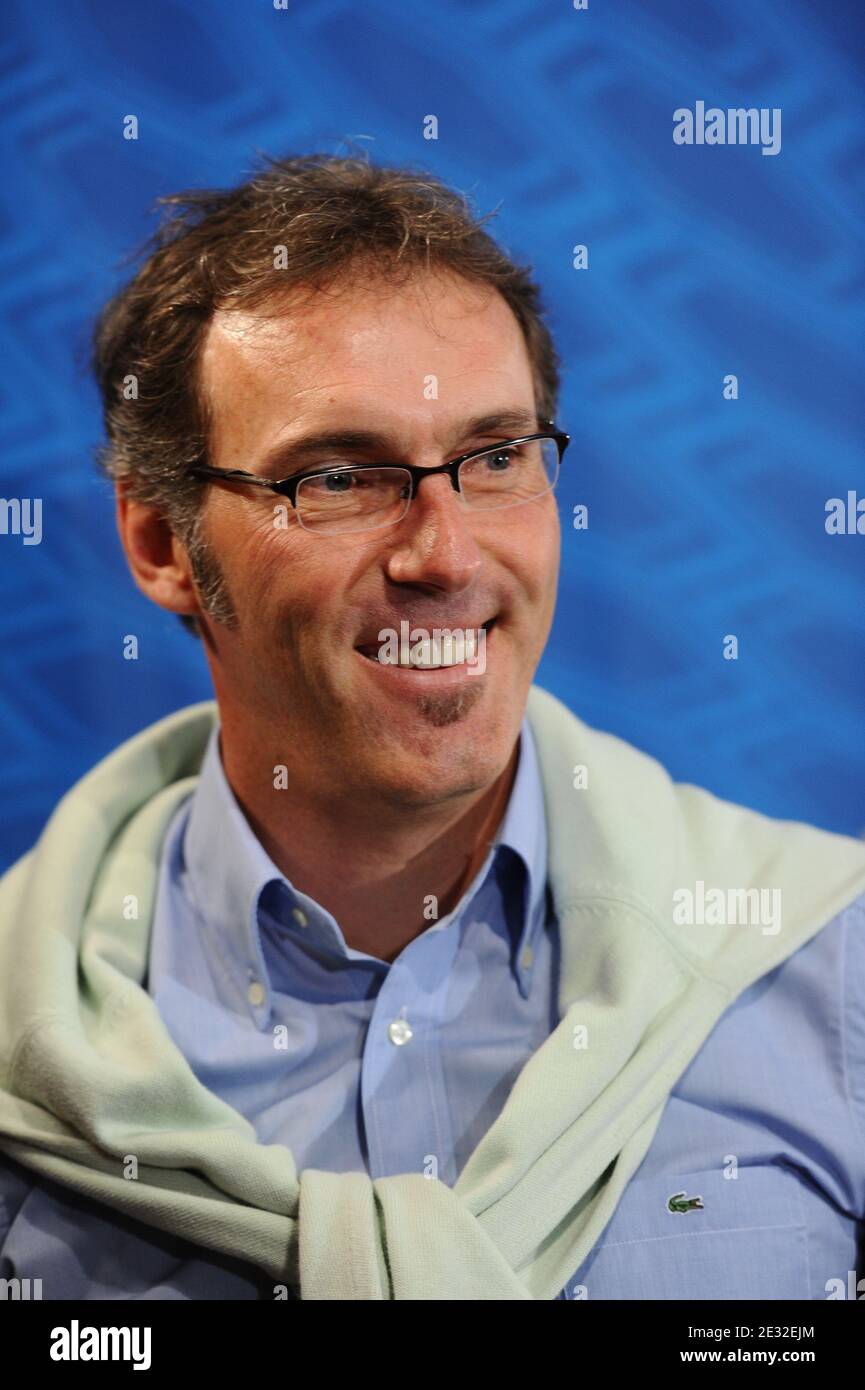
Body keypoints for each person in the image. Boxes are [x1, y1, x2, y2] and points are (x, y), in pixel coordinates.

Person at [1, 153, 864, 1302]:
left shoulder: (828, 963)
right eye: (342, 477)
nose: (445, 554)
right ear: (162, 543)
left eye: (496, 457)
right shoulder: (20, 1035)